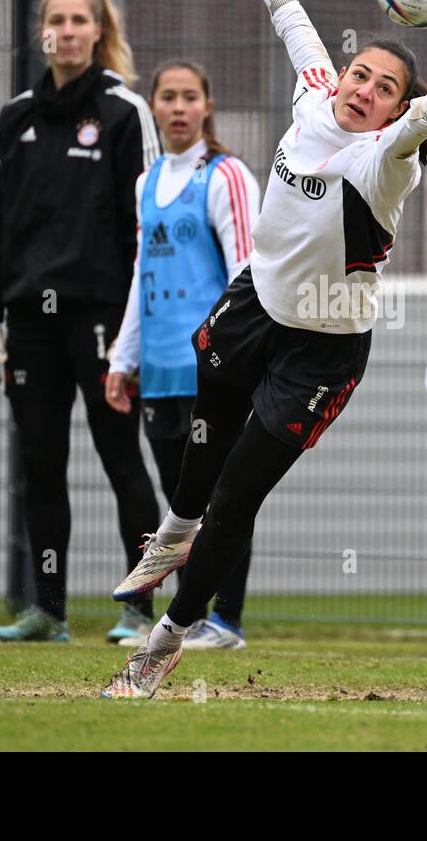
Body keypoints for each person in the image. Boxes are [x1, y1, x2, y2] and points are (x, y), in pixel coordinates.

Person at [100, 0, 427, 698]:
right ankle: (173, 533)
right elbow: (304, 44)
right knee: (202, 440)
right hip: (255, 304)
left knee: (238, 493)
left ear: (392, 110)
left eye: (385, 90)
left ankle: (163, 644)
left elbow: (409, 138)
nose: (364, 91)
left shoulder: (383, 162)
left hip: (324, 347)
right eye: (361, 76)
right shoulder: (318, 97)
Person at [0, 0, 163, 644]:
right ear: (42, 32)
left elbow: (148, 226)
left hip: (104, 319)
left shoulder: (122, 112)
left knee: (121, 461)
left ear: (98, 31)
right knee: (40, 465)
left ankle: (140, 607)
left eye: (81, 19)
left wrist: (140, 327)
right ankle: (47, 611)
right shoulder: (15, 116)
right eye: (57, 19)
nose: (68, 30)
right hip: (29, 322)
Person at [103, 59, 261, 650]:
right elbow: (141, 276)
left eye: (188, 97)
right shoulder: (145, 184)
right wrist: (123, 358)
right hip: (163, 371)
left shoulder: (226, 176)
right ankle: (187, 620)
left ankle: (227, 620)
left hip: (215, 370)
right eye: (166, 97)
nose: (177, 107)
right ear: (154, 107)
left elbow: (250, 270)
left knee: (226, 496)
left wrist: (244, 353)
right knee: (181, 506)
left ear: (206, 107)